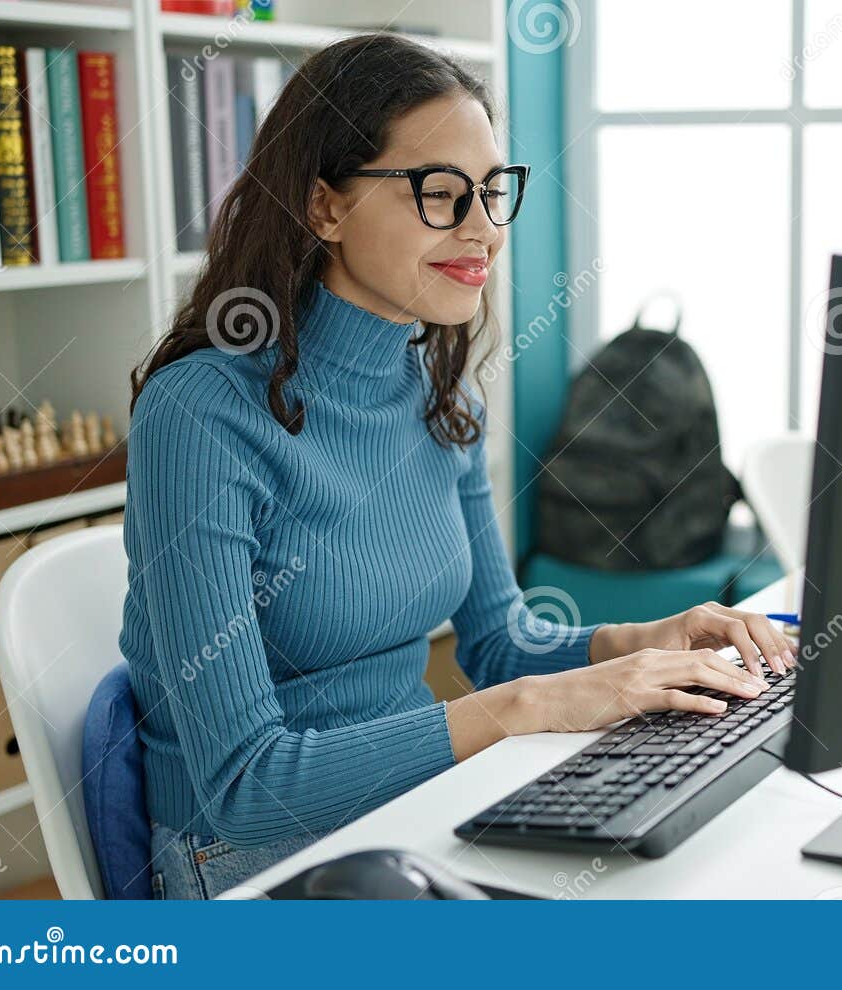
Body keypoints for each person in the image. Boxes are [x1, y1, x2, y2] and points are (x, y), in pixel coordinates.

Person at [120, 35, 793, 899]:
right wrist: (532, 708)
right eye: (440, 194)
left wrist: (641, 641)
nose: (483, 229)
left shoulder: (441, 395)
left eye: (492, 191)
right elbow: (247, 786)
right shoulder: (200, 413)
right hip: (253, 863)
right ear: (323, 207)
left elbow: (499, 641)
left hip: (418, 808)